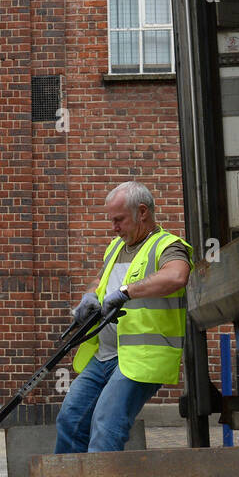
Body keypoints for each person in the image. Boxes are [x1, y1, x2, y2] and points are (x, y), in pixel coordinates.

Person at [55, 180, 193, 455]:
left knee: (107, 424)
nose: (113, 227)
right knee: (70, 418)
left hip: (140, 356)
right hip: (104, 355)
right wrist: (89, 295)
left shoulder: (168, 245)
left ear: (142, 212)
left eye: (118, 219)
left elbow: (177, 275)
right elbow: (100, 280)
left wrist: (128, 291)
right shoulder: (116, 246)